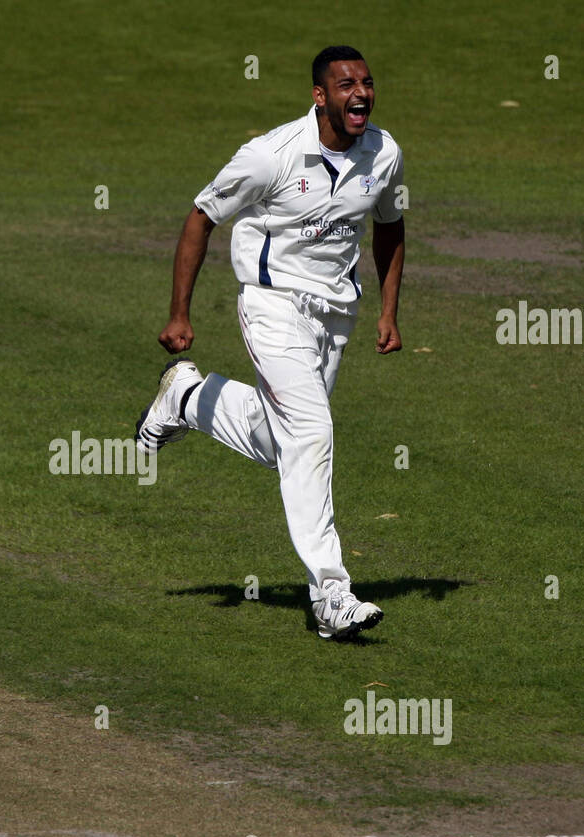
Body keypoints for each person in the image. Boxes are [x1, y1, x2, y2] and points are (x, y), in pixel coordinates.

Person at [136, 45, 406, 641]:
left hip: (335, 314)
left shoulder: (383, 153)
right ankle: (332, 595)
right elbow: (201, 217)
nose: (359, 93)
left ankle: (187, 399)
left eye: (366, 82)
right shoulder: (269, 157)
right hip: (272, 305)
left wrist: (389, 310)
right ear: (320, 96)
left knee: (283, 440)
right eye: (344, 85)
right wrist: (179, 312)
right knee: (311, 432)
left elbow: (388, 224)